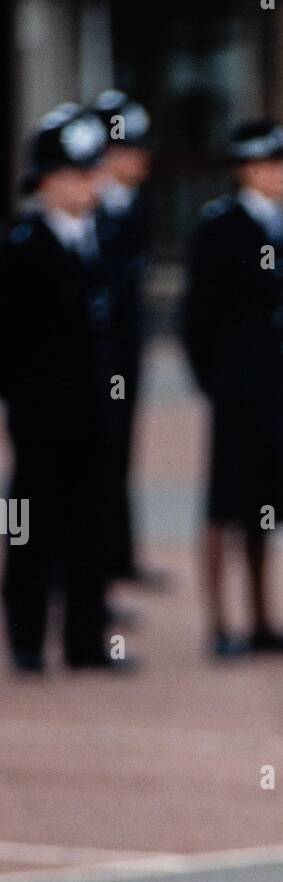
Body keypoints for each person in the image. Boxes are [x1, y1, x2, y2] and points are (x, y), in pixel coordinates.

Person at [0, 104, 131, 674]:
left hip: (94, 414)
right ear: (46, 181)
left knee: (92, 527)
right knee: (31, 525)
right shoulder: (23, 245)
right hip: (40, 417)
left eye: (92, 171)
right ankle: (27, 638)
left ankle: (85, 638)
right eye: (76, 173)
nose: (88, 184)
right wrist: (24, 406)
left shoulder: (103, 240)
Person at [181, 119, 283, 658]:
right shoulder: (221, 227)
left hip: (279, 387)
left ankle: (261, 618)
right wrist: (215, 381)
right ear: (244, 170)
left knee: (267, 503)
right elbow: (198, 316)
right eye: (267, 165)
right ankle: (219, 624)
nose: (281, 175)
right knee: (225, 504)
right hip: (236, 388)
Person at [92, 88, 161, 590]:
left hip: (125, 350)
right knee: (88, 457)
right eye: (129, 148)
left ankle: (115, 556)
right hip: (93, 356)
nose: (141, 158)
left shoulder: (132, 205)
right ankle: (80, 568)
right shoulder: (91, 209)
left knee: (118, 451)